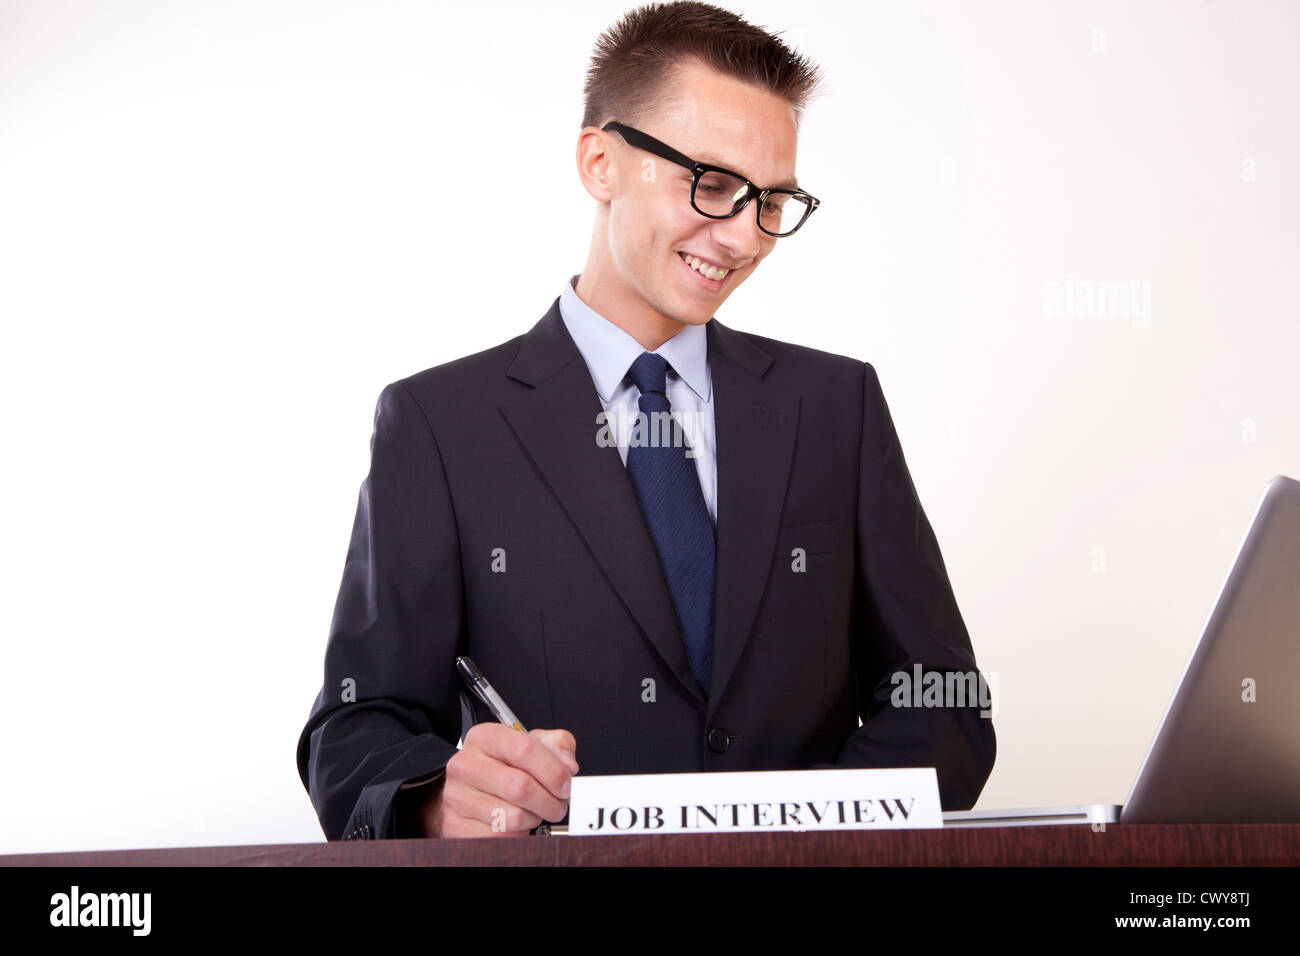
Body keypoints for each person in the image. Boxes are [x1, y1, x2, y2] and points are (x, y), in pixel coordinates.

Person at [297, 0, 996, 841]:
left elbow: (942, 698)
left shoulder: (834, 406)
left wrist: (813, 841)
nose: (744, 236)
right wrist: (439, 800)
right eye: (713, 185)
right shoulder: (441, 425)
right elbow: (354, 727)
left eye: (773, 200)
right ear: (600, 162)